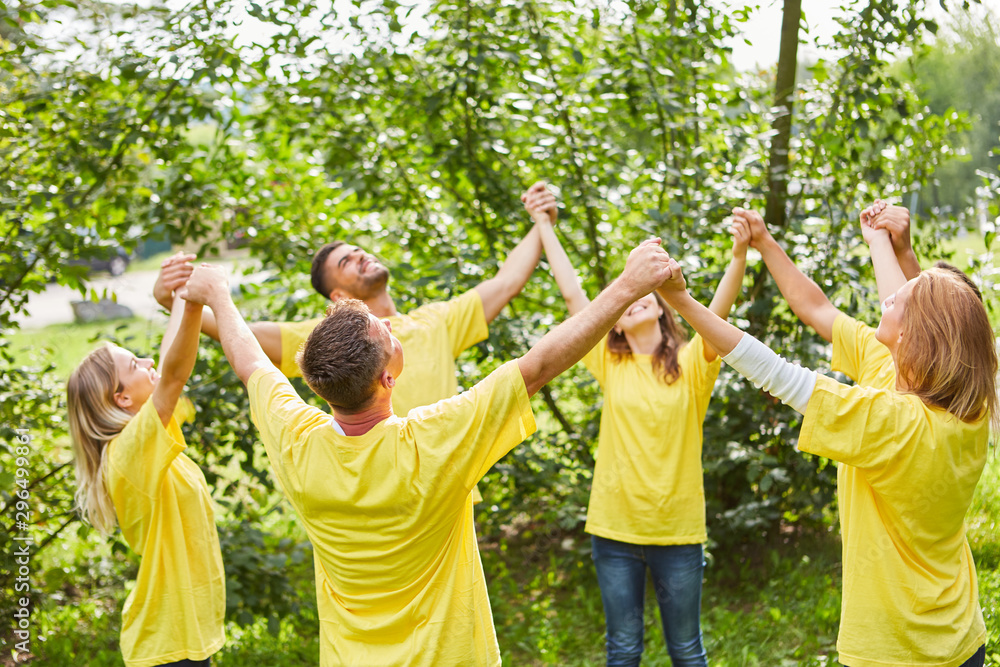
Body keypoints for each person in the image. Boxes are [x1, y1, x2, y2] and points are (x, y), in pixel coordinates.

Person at [177, 236, 678, 666]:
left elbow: (250, 363)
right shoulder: (435, 440)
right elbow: (540, 365)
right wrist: (628, 286)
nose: (390, 324)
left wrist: (217, 295)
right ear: (388, 377)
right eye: (384, 332)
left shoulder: (296, 439)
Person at [656, 205, 996, 667]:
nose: (887, 296)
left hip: (896, 650)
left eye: (901, 297)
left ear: (918, 336)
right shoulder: (960, 405)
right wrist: (871, 239)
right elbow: (816, 307)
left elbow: (775, 372)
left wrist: (680, 300)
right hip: (960, 637)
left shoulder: (894, 422)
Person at [155, 201, 550, 503]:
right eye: (346, 261)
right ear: (339, 296)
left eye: (358, 250)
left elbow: (508, 280)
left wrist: (542, 221)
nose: (360, 255)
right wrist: (170, 298)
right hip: (375, 494)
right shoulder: (325, 341)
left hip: (444, 489)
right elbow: (232, 331)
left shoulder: (438, 320)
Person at [522, 185, 749, 666]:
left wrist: (739, 254)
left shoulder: (692, 365)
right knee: (623, 650)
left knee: (688, 652)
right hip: (615, 529)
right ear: (614, 325)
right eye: (621, 307)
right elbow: (572, 294)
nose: (632, 303)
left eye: (642, 298)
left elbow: (719, 314)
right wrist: (545, 226)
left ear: (663, 307)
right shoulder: (609, 361)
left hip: (679, 532)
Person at [66, 258, 225, 667]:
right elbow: (171, 376)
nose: (148, 363)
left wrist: (175, 299)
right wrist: (191, 303)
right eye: (134, 364)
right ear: (121, 398)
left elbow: (166, 366)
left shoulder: (147, 440)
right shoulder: (127, 454)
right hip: (166, 647)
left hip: (181, 640)